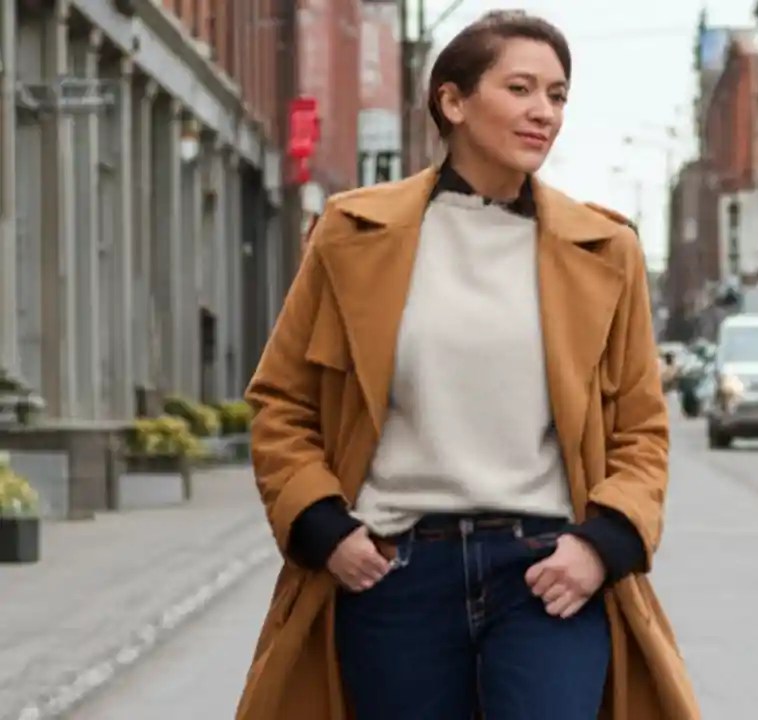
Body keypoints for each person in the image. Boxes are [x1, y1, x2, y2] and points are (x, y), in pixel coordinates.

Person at [234, 11, 698, 720]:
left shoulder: (605, 249)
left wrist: (601, 546)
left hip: (547, 573)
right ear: (452, 101)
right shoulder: (353, 235)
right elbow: (282, 402)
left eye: (557, 95)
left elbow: (641, 428)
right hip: (394, 574)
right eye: (520, 88)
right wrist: (325, 528)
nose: (544, 112)